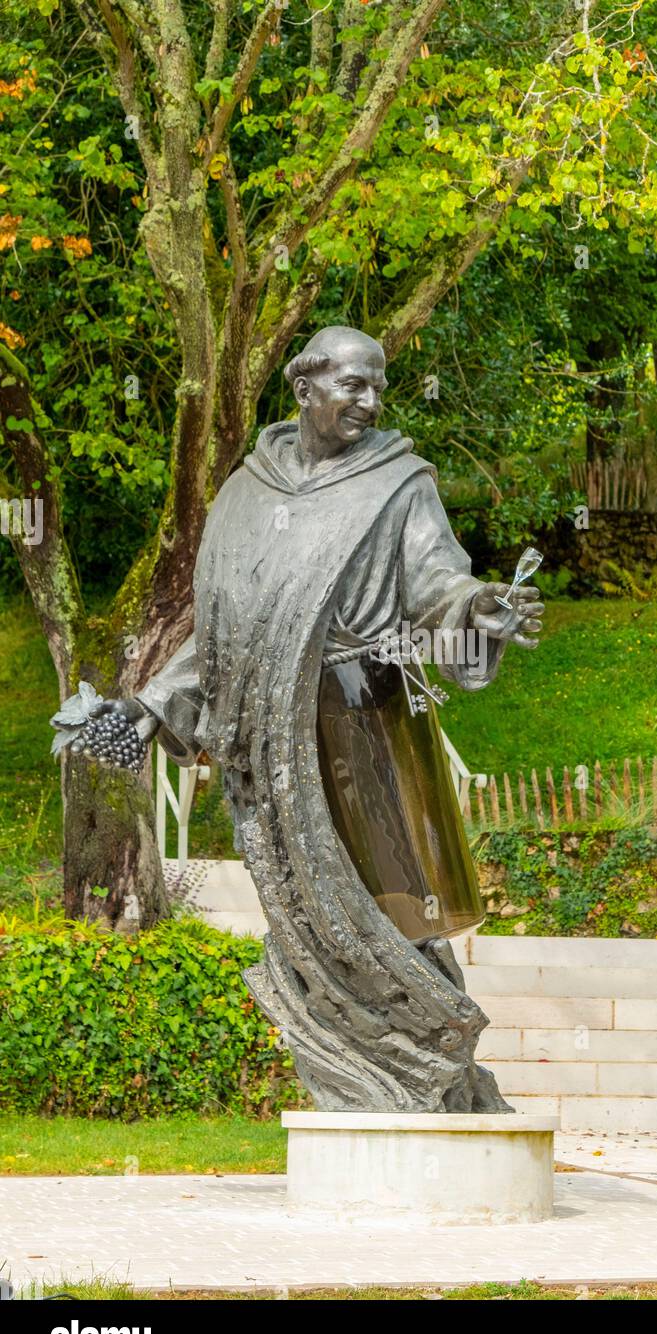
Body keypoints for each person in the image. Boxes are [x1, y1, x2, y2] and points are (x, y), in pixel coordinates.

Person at [74, 324, 545, 1113]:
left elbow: (439, 588)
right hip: (273, 742)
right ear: (304, 387)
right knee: (309, 919)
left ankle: (435, 1075)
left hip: (368, 717)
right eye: (355, 385)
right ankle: (381, 1082)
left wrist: (480, 609)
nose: (372, 402)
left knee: (399, 911)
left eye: (379, 387)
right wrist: (150, 709)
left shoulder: (398, 484)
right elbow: (222, 627)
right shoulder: (245, 493)